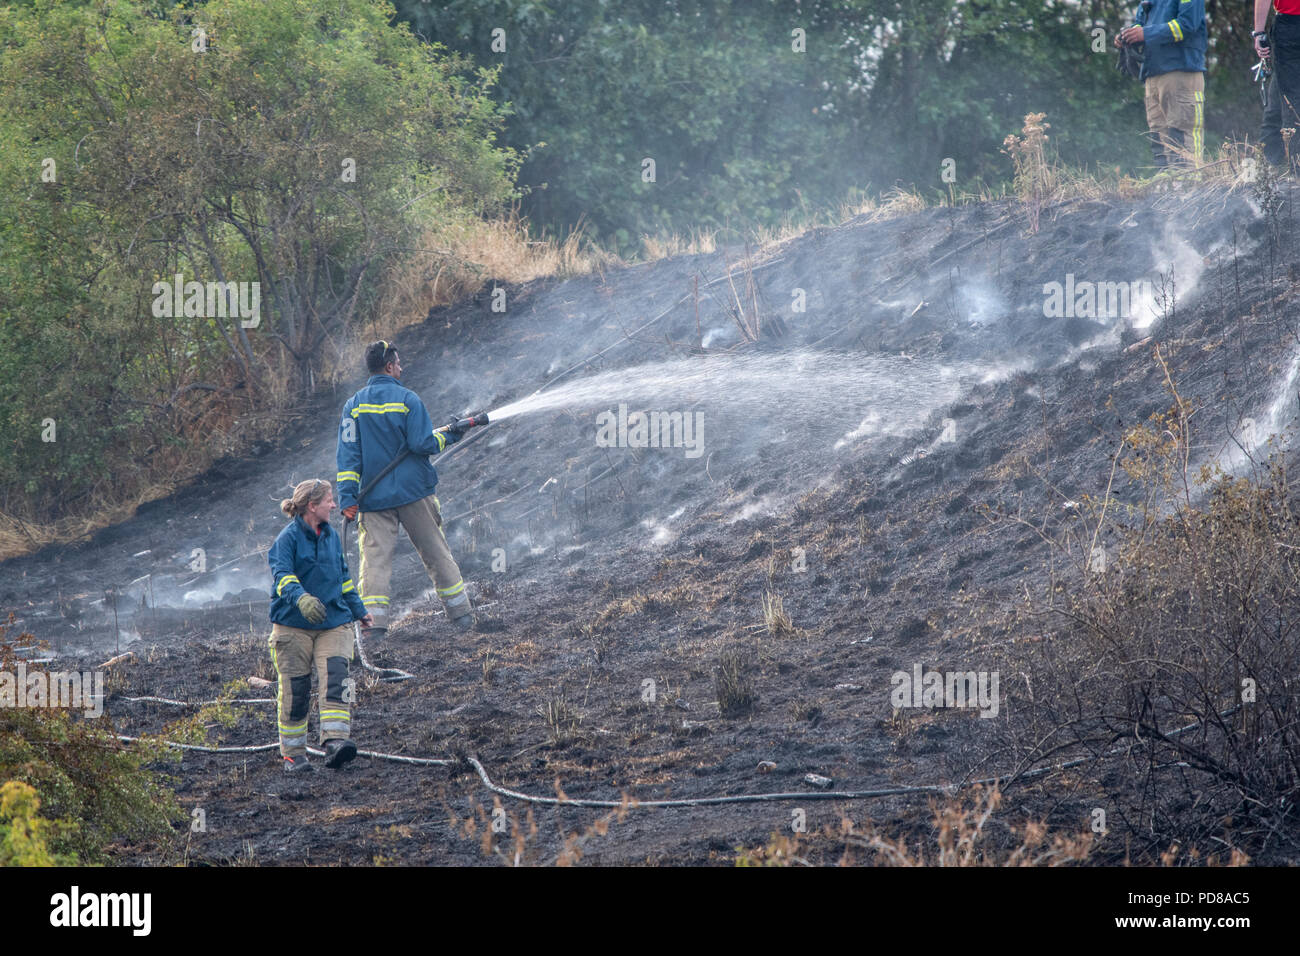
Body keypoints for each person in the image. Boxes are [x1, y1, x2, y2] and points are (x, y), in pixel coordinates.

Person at [335, 340, 474, 640]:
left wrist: (347, 498)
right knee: (436, 552)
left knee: (373, 563)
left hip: (372, 500)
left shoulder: (353, 407)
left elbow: (348, 458)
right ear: (388, 367)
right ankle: (462, 617)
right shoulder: (409, 400)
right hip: (414, 493)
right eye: (398, 363)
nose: (401, 367)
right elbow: (423, 444)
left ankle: (373, 631)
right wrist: (449, 437)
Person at [268, 479, 370, 773]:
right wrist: (301, 600)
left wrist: (359, 610)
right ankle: (293, 754)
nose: (334, 505)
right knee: (296, 690)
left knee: (337, 679)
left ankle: (336, 742)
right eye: (329, 500)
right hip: (292, 627)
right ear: (312, 506)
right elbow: (282, 576)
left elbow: (344, 577)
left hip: (333, 622)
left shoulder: (332, 536)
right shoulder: (286, 540)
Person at [1115, 0, 1208, 170]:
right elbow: (1141, 23)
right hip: (1153, 74)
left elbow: (1186, 25)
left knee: (1182, 134)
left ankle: (1190, 188)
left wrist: (1145, 34)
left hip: (1181, 72)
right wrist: (1128, 36)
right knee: (1159, 138)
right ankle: (1167, 189)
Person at [1255, 0, 1300, 170]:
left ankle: (1294, 173)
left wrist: (1258, 33)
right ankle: (1267, 168)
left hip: (1291, 24)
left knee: (1291, 102)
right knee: (1278, 98)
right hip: (1290, 26)